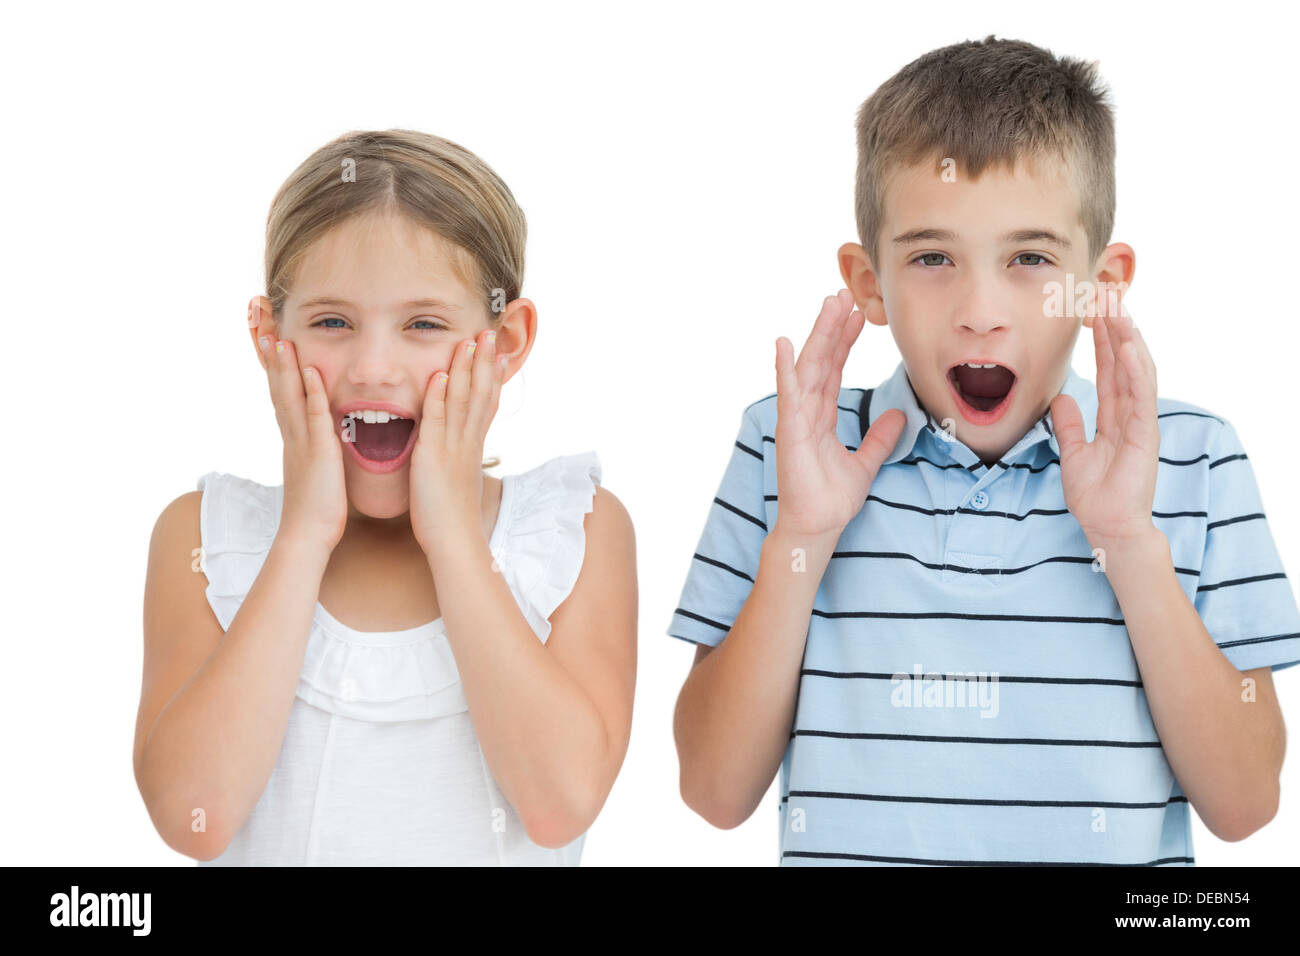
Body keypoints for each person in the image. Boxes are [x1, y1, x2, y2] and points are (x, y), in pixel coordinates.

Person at [668, 36, 1299, 865]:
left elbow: (1246, 803)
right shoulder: (791, 444)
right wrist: (802, 539)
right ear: (868, 283)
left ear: (1101, 283)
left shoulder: (1192, 457)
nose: (980, 310)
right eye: (932, 257)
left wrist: (1130, 547)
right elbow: (714, 792)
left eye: (1030, 258)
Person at [134, 129, 637, 865]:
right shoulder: (207, 538)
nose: (373, 368)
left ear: (506, 341)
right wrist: (304, 532)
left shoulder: (570, 531)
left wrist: (454, 538)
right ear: (270, 336)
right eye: (332, 322)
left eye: (423, 325)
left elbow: (556, 807)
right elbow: (194, 820)